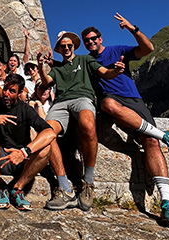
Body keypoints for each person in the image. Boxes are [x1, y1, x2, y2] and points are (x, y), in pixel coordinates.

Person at [81, 17, 169, 227]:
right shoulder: (88, 62)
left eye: (93, 38)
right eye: (87, 41)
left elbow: (148, 48)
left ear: (100, 38)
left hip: (134, 101)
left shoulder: (117, 50)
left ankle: (168, 204)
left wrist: (133, 28)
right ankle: (165, 136)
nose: (91, 42)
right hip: (111, 102)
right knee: (108, 105)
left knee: (150, 143)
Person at [36, 31, 126, 212]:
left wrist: (115, 71)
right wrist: (40, 67)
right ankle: (64, 187)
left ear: (74, 46)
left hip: (82, 98)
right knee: (47, 132)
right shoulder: (57, 69)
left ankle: (88, 182)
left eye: (69, 45)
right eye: (63, 46)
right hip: (61, 102)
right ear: (59, 49)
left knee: (88, 125)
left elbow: (104, 73)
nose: (67, 48)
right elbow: (46, 82)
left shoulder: (85, 60)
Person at [0, 75, 58, 210]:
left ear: (19, 94)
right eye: (5, 89)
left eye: (12, 91)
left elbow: (50, 133)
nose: (6, 94)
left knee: (46, 148)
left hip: (22, 161)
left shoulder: (25, 110)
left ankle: (17, 189)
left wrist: (24, 152)